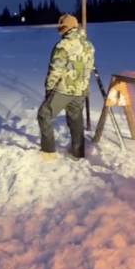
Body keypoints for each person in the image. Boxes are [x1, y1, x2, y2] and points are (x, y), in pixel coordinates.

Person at [38, 14, 95, 161]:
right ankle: (78, 152)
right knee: (76, 120)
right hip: (81, 90)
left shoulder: (62, 46)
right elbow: (89, 67)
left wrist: (49, 88)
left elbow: (55, 70)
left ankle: (48, 150)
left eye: (61, 27)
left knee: (44, 114)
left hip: (63, 89)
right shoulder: (88, 45)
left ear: (65, 28)